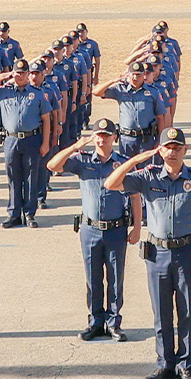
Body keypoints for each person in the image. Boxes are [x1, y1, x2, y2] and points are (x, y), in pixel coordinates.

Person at [105, 127, 191, 379]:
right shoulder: (147, 176)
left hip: (187, 252)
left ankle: (185, 366)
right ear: (160, 150)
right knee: (161, 313)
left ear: (185, 150)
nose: (172, 152)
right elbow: (111, 183)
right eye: (167, 147)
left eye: (177, 148)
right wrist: (135, 160)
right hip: (157, 254)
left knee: (187, 311)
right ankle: (165, 364)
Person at [47, 118, 142, 341]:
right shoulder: (82, 161)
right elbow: (52, 166)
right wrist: (74, 147)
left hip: (116, 229)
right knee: (93, 277)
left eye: (106, 135)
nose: (101, 139)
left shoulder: (123, 163)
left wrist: (137, 227)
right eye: (98, 135)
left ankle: (113, 322)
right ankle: (95, 321)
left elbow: (135, 197)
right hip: (90, 229)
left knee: (116, 278)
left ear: (114, 138)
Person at [0, 59, 53, 228]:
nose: (20, 76)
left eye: (23, 73)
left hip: (32, 138)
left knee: (31, 178)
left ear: (28, 75)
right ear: (13, 73)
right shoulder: (4, 91)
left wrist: (46, 142)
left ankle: (29, 213)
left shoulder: (37, 93)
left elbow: (46, 119)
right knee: (13, 178)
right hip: (11, 139)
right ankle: (14, 213)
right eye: (17, 73)